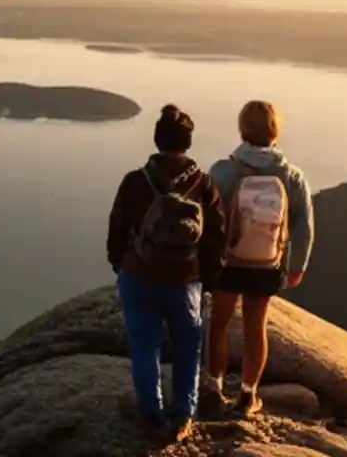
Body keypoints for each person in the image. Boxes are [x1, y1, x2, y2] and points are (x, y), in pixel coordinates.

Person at [108, 105, 228, 442]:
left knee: (145, 346)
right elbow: (216, 237)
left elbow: (117, 230)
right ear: (188, 143)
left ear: (157, 140)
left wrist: (122, 265)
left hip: (140, 277)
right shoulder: (205, 185)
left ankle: (151, 413)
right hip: (184, 281)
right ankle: (182, 415)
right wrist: (208, 277)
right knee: (188, 348)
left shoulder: (135, 181)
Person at [205, 100, 315, 417]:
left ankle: (214, 388)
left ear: (243, 130)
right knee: (256, 327)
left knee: (219, 324)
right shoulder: (292, 176)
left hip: (228, 261)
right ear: (274, 132)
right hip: (267, 263)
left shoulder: (223, 171)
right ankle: (248, 396)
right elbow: (303, 226)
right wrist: (297, 266)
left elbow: (206, 218)